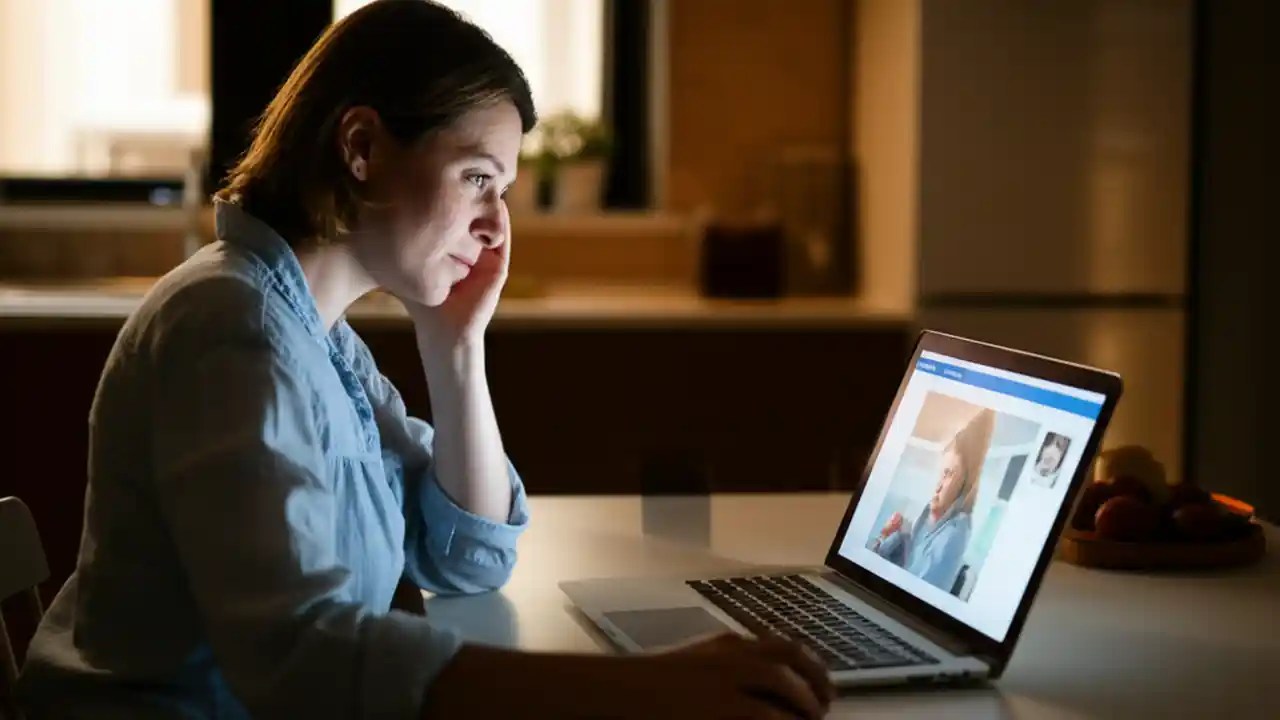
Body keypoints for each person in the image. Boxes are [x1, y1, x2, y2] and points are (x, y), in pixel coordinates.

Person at [16, 2, 833, 718]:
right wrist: (646, 692)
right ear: (362, 146)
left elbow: (467, 555)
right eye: (478, 177)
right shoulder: (233, 328)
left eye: (503, 191)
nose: (495, 227)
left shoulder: (321, 335)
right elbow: (299, 661)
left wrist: (456, 347)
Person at [872, 409, 995, 594]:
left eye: (948, 474)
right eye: (941, 473)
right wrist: (890, 536)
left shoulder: (952, 536)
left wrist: (883, 538)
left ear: (967, 481)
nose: (937, 486)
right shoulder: (929, 514)